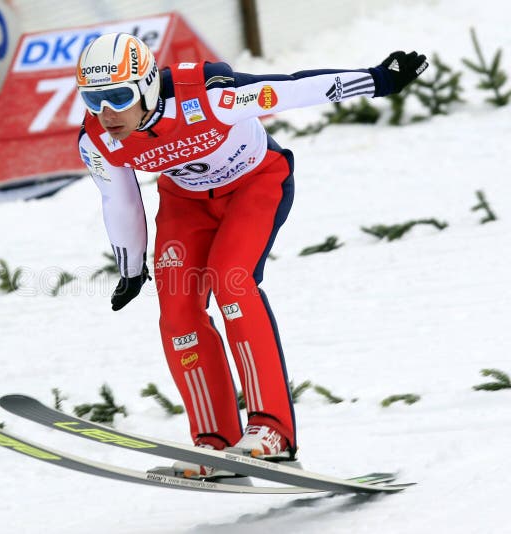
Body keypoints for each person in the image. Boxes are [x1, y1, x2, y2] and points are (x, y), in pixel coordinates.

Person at [75, 32, 427, 477]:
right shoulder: (97, 140)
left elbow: (294, 88)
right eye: (93, 99)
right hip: (186, 204)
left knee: (232, 282)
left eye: (119, 97)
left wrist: (377, 79)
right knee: (178, 312)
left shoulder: (208, 96)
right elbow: (120, 201)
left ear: (146, 85)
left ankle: (271, 431)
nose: (106, 113)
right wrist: (130, 268)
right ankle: (213, 443)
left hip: (255, 183)